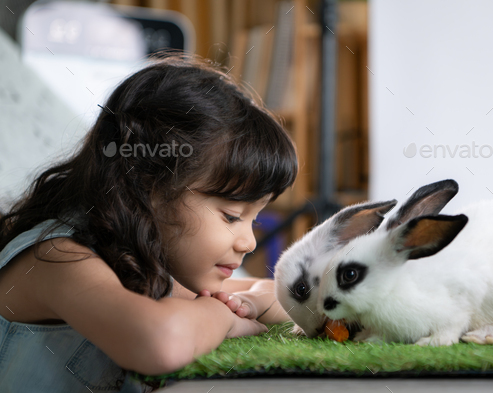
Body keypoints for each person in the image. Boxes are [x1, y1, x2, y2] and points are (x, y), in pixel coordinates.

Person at [0, 51, 298, 392]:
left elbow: (276, 295)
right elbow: (161, 342)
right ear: (148, 186)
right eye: (232, 216)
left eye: (254, 221)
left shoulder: (142, 264)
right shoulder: (56, 258)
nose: (249, 242)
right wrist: (222, 319)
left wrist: (250, 304)